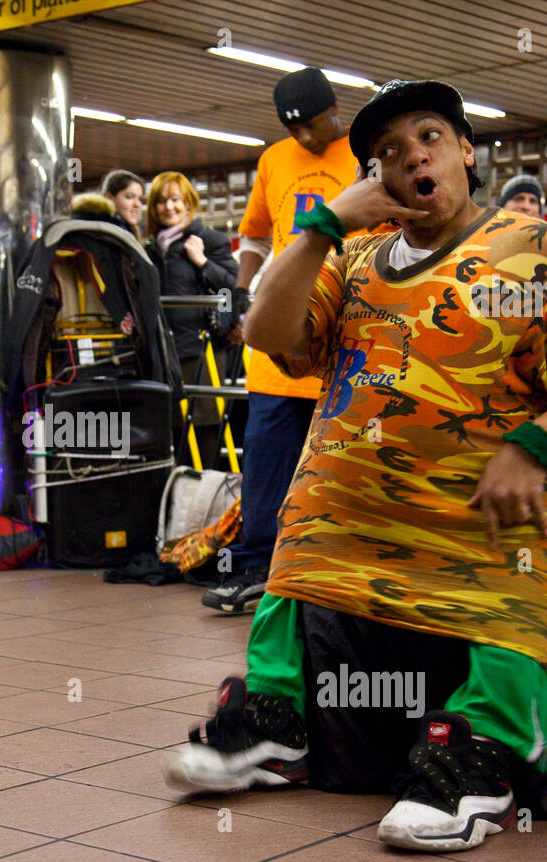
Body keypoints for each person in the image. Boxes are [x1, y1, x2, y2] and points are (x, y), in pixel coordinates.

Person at [163, 79, 547, 852]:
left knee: (523, 558)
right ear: (375, 179)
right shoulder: (354, 256)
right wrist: (324, 227)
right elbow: (266, 332)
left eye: (428, 137)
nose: (412, 158)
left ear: (466, 150)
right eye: (389, 152)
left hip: (486, 515)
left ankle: (481, 757)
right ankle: (275, 722)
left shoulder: (531, 251)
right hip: (355, 518)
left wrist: (531, 446)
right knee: (302, 525)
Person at [205, 68, 370, 616]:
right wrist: (240, 288)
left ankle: (332, 574)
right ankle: (255, 567)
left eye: (313, 125)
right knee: (266, 464)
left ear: (334, 108)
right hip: (280, 339)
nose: (303, 139)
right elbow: (253, 234)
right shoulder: (273, 160)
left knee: (339, 467)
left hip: (343, 339)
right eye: (292, 129)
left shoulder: (366, 152)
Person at [145, 171, 238, 468]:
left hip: (200, 351)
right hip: (161, 350)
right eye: (161, 201)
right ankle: (176, 496)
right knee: (170, 426)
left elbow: (233, 287)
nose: (168, 207)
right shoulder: (149, 249)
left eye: (175, 199)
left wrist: (202, 262)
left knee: (204, 424)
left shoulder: (209, 241)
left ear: (188, 203)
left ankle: (201, 494)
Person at [100, 169, 145, 238]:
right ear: (109, 198)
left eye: (140, 199)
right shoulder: (99, 233)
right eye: (129, 197)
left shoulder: (130, 232)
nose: (137, 204)